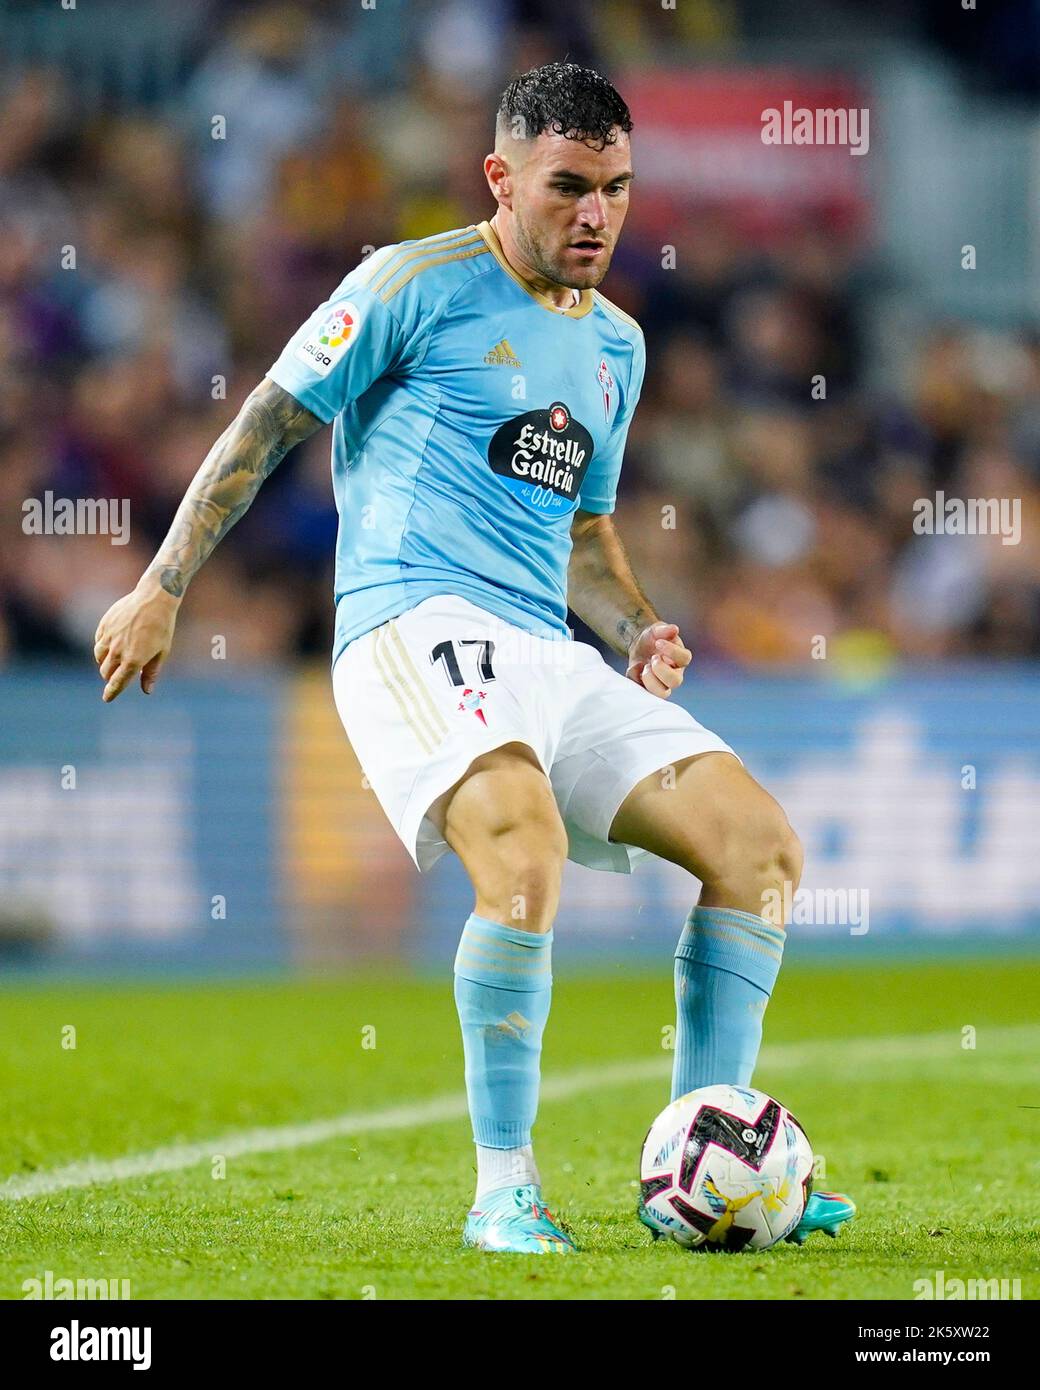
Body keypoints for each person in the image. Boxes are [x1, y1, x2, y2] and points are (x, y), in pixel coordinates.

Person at [93, 61, 855, 1254]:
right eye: (567, 188)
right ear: (500, 178)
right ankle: (504, 1185)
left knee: (759, 849)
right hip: (410, 621)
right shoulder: (408, 284)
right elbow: (266, 422)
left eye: (615, 188)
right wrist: (161, 584)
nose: (596, 214)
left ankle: (715, 1151)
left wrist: (634, 624)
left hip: (545, 651)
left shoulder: (617, 345)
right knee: (521, 846)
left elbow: (583, 529)